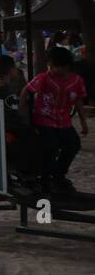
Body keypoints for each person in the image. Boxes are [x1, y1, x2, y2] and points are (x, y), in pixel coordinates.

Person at [19, 46, 89, 192]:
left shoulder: (77, 81)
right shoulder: (44, 77)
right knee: (51, 146)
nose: (51, 69)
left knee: (73, 144)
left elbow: (78, 101)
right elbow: (26, 91)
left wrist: (83, 121)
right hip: (44, 120)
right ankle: (45, 178)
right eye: (50, 65)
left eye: (55, 66)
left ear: (66, 66)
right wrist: (23, 114)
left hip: (64, 122)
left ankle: (58, 175)